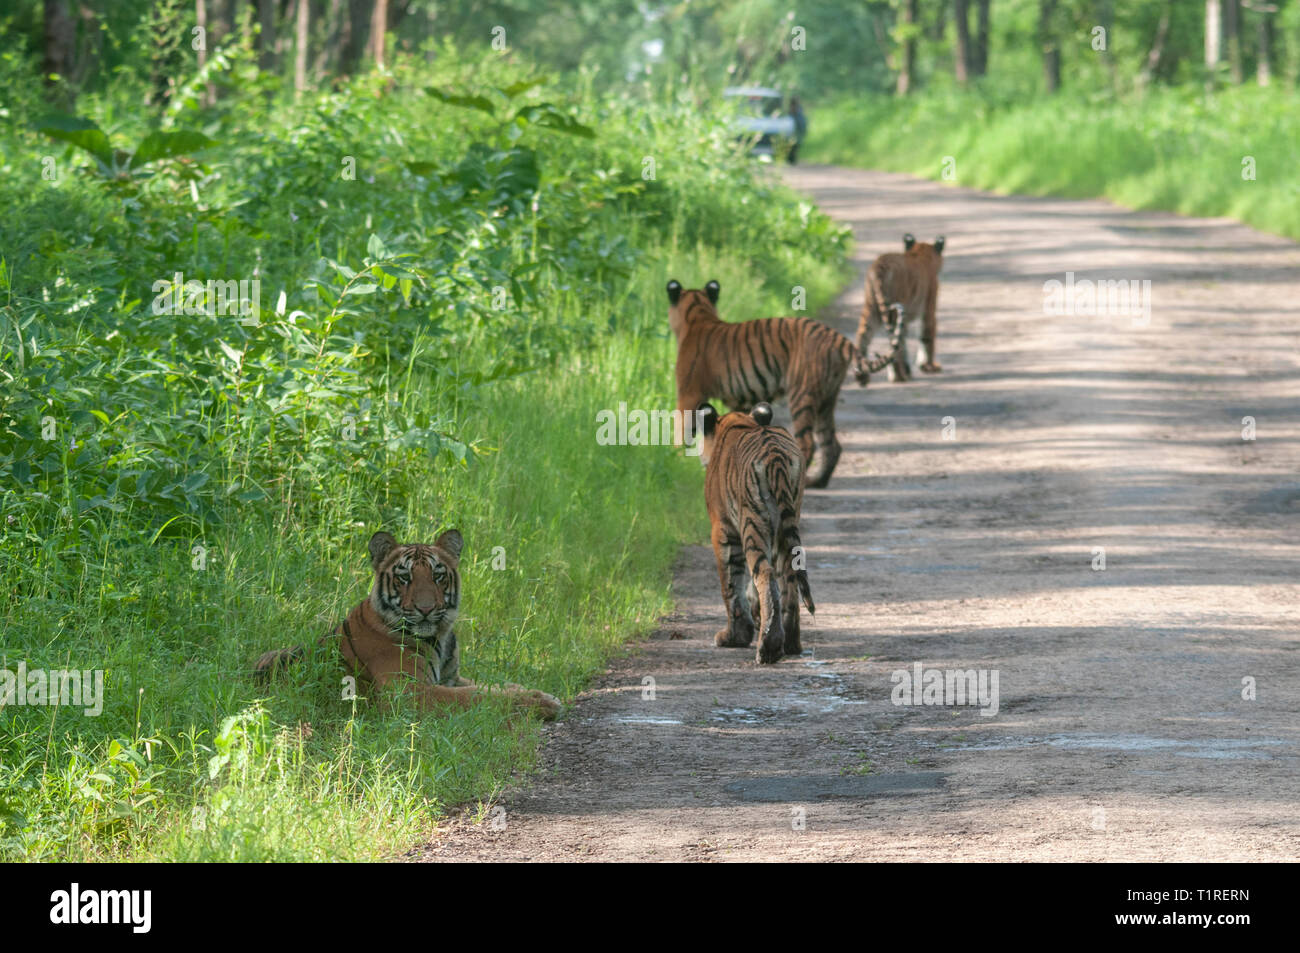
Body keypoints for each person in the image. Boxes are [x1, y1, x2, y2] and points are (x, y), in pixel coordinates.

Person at [788, 97, 807, 165]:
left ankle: (792, 159)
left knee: (795, 145)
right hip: (794, 130)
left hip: (796, 131)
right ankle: (791, 159)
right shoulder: (795, 110)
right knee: (793, 145)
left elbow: (801, 122)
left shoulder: (798, 110)